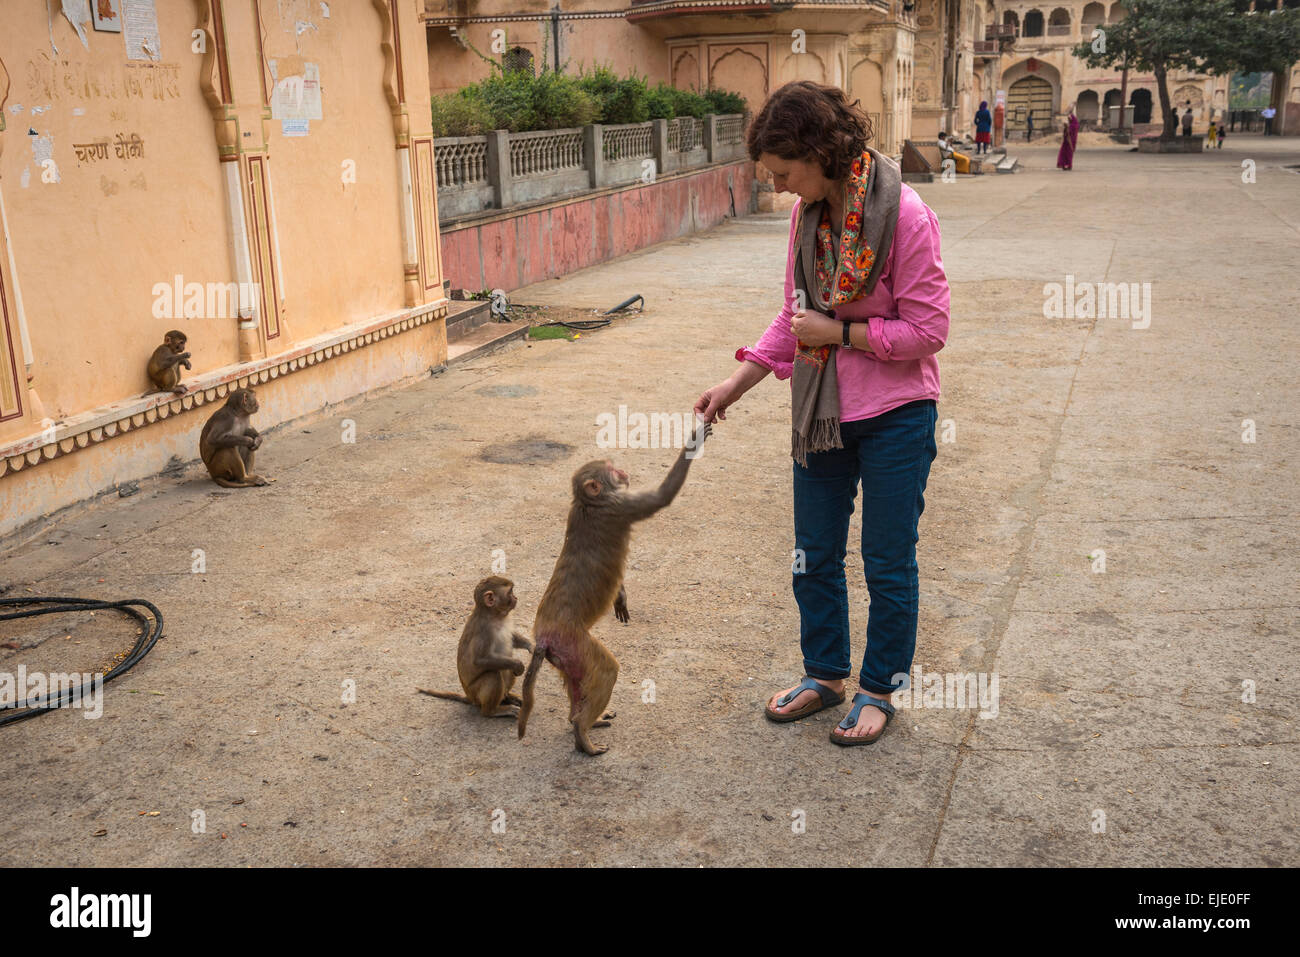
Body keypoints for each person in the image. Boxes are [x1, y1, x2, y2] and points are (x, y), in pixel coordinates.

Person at [694, 80, 948, 747]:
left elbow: (928, 329)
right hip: (822, 413)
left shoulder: (907, 215)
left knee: (888, 560)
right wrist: (735, 382)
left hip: (897, 413)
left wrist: (843, 335)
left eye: (784, 173)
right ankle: (826, 673)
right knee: (814, 554)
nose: (778, 188)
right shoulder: (806, 220)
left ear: (820, 152)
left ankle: (878, 688)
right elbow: (794, 316)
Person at [1056, 103, 1079, 171]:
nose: (1068, 120)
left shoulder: (1071, 126)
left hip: (1068, 142)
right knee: (1067, 154)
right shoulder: (1072, 125)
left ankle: (1067, 165)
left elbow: (1068, 135)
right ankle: (1067, 165)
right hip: (1068, 142)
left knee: (1067, 154)